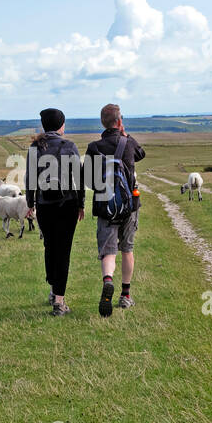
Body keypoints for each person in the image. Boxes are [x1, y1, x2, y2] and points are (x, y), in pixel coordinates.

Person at [84, 103, 145, 317]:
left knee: (108, 251)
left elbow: (89, 181)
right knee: (127, 249)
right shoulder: (128, 143)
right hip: (129, 206)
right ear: (119, 121)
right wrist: (126, 134)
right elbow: (141, 154)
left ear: (102, 123)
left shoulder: (94, 147)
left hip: (104, 205)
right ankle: (125, 296)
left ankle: (108, 280)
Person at [25, 107, 84, 316]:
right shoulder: (69, 146)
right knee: (63, 251)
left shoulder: (35, 147)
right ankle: (59, 302)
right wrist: (81, 204)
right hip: (67, 204)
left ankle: (53, 288)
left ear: (44, 125)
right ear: (61, 125)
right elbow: (79, 178)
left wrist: (30, 203)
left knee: (49, 247)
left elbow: (30, 178)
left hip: (44, 204)